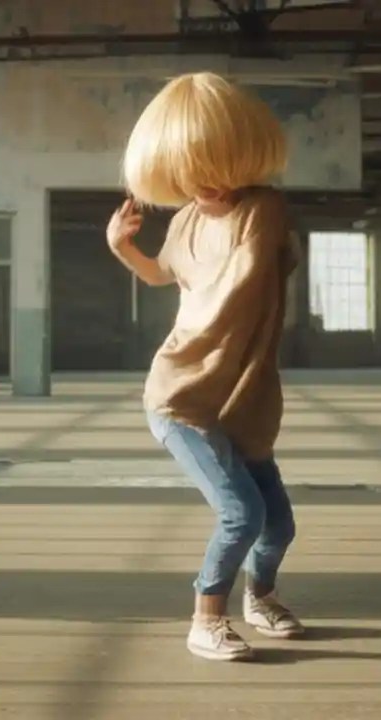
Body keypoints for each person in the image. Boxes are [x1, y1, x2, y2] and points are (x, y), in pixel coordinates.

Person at [105, 72, 303, 662]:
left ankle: (260, 599)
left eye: (215, 167)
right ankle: (205, 618)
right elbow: (165, 274)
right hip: (182, 396)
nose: (204, 185)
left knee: (279, 525)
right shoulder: (188, 217)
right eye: (190, 173)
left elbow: (239, 284)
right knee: (242, 514)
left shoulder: (262, 209)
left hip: (241, 398)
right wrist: (124, 249)